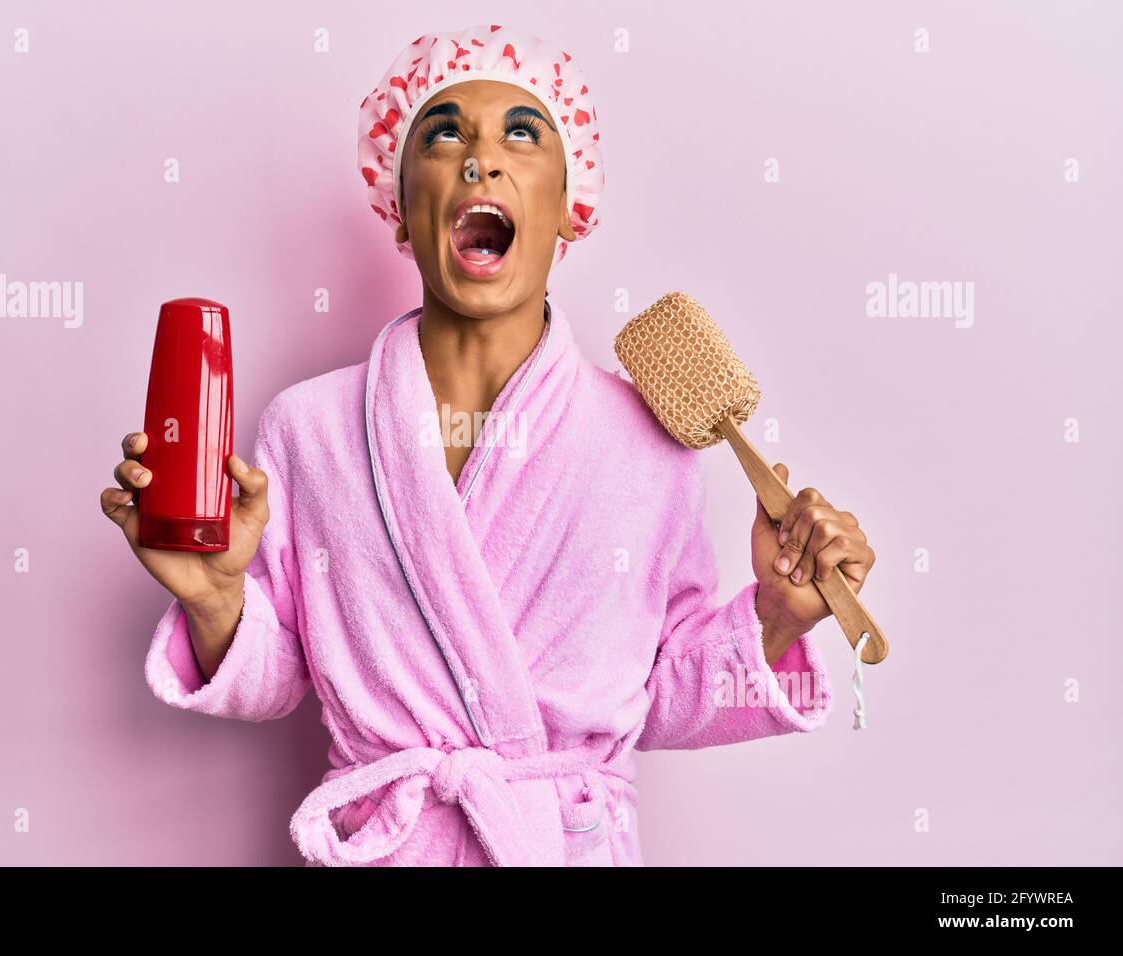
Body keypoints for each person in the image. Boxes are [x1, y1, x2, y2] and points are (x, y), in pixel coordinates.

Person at [100, 24, 876, 866]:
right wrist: (217, 601)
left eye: (521, 132)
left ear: (569, 210)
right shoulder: (309, 429)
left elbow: (658, 698)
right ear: (400, 213)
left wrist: (774, 615)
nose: (480, 159)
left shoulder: (649, 446)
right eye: (442, 134)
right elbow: (281, 675)